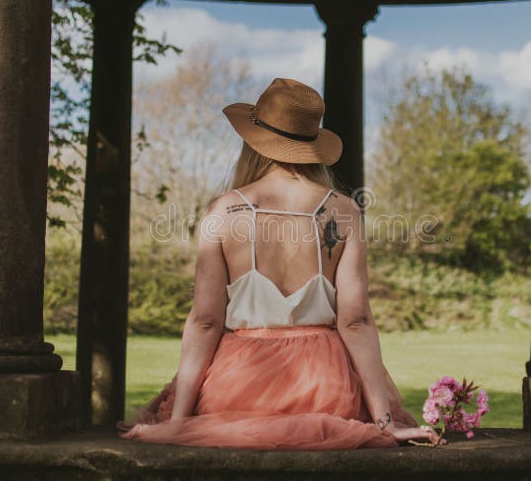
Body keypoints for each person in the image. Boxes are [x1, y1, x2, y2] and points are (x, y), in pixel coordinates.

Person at [117, 78, 442, 449]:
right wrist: (384, 421)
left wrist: (178, 424)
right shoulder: (344, 210)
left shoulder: (224, 211)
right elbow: (356, 320)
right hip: (325, 388)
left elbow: (206, 320)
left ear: (254, 142)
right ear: (312, 145)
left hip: (239, 385)